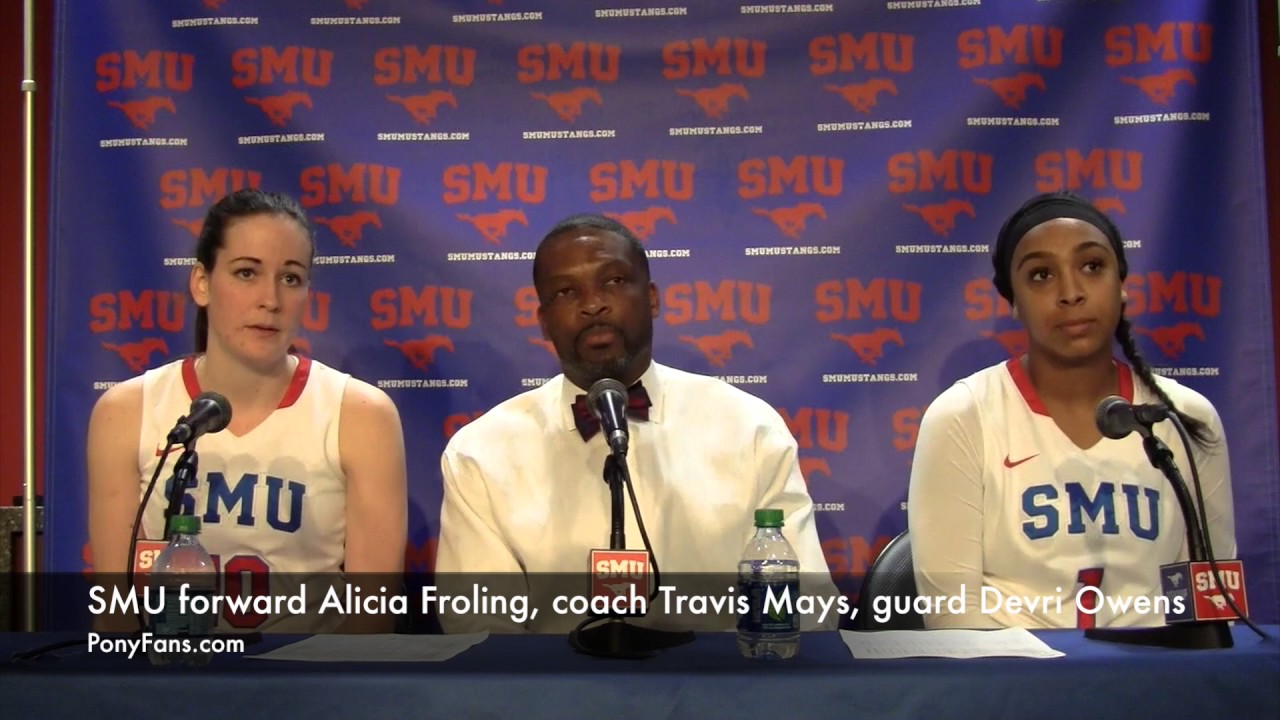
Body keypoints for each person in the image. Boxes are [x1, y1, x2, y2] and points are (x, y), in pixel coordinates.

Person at [436, 214, 837, 633]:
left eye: (613, 281)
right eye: (566, 291)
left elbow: (807, 609)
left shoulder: (748, 429)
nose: (593, 304)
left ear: (652, 299)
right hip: (554, 694)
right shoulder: (481, 453)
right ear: (543, 321)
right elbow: (480, 628)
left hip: (721, 689)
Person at [907, 191, 1235, 629]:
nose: (1071, 293)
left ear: (1121, 283)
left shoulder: (1184, 416)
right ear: (1014, 301)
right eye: (1041, 275)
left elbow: (1210, 605)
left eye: (1092, 267)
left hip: (1157, 685)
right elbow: (952, 616)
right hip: (1010, 688)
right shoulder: (963, 418)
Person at [87, 188, 408, 633]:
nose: (270, 299)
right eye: (246, 273)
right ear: (202, 283)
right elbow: (115, 612)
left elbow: (370, 619)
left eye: (290, 278)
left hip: (312, 687)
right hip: (171, 682)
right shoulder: (125, 412)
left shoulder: (360, 415)